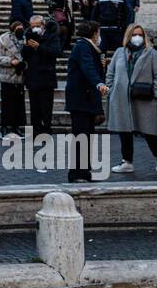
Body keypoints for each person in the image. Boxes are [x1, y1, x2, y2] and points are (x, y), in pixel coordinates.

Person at [106, 25, 157, 174]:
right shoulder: (120, 52)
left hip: (144, 97)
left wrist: (156, 94)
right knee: (124, 131)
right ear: (129, 35)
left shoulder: (150, 53)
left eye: (140, 34)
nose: (137, 37)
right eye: (134, 34)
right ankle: (127, 161)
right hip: (121, 97)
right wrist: (111, 88)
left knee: (149, 130)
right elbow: (111, 71)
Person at [65, 21, 108, 182]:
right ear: (94, 33)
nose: (99, 36)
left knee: (86, 136)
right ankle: (76, 173)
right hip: (81, 99)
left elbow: (91, 68)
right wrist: (99, 83)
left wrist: (101, 68)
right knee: (81, 137)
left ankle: (84, 172)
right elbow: (87, 67)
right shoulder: (83, 46)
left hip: (86, 99)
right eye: (98, 32)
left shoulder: (89, 47)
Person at [22, 13, 62, 146]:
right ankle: (35, 133)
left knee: (46, 107)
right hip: (32, 76)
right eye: (33, 26)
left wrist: (38, 47)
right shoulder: (28, 35)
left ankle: (46, 132)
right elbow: (24, 55)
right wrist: (27, 46)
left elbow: (56, 52)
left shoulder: (52, 35)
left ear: (43, 25)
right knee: (34, 108)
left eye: (37, 26)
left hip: (46, 77)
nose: (35, 29)